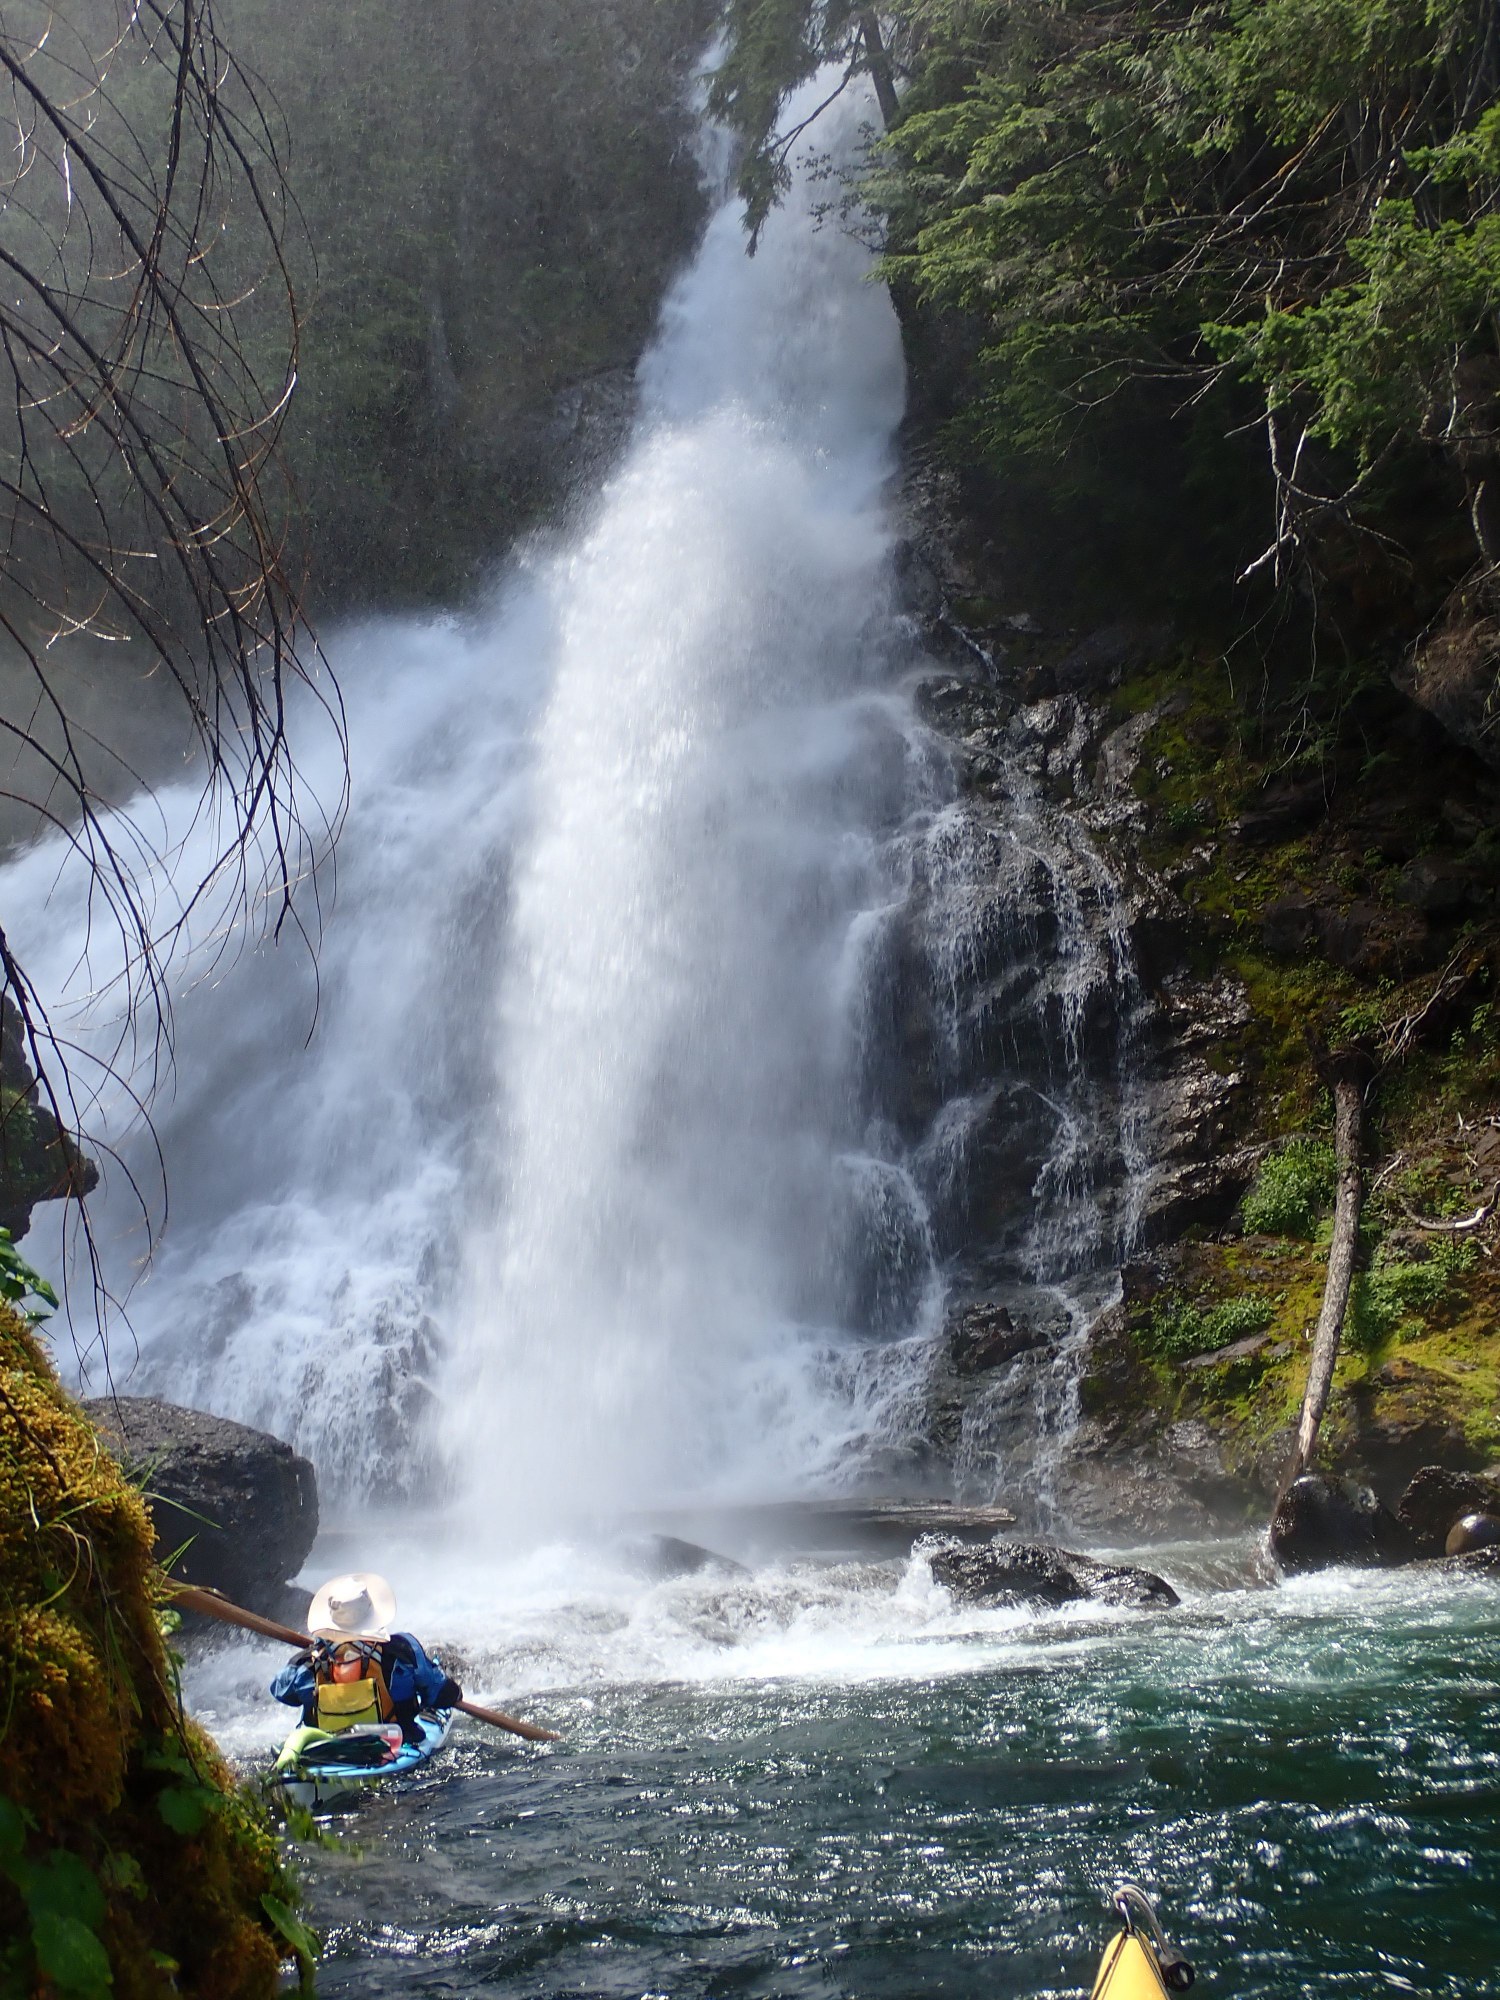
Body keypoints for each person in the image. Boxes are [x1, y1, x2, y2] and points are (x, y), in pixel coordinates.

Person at [270, 1571, 462, 1743]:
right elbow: (440, 1693)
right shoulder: (402, 1650)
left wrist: (313, 1653)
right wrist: (453, 1695)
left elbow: (281, 1692)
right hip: (397, 1743)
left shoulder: (310, 1661)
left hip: (327, 1748)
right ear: (372, 1614)